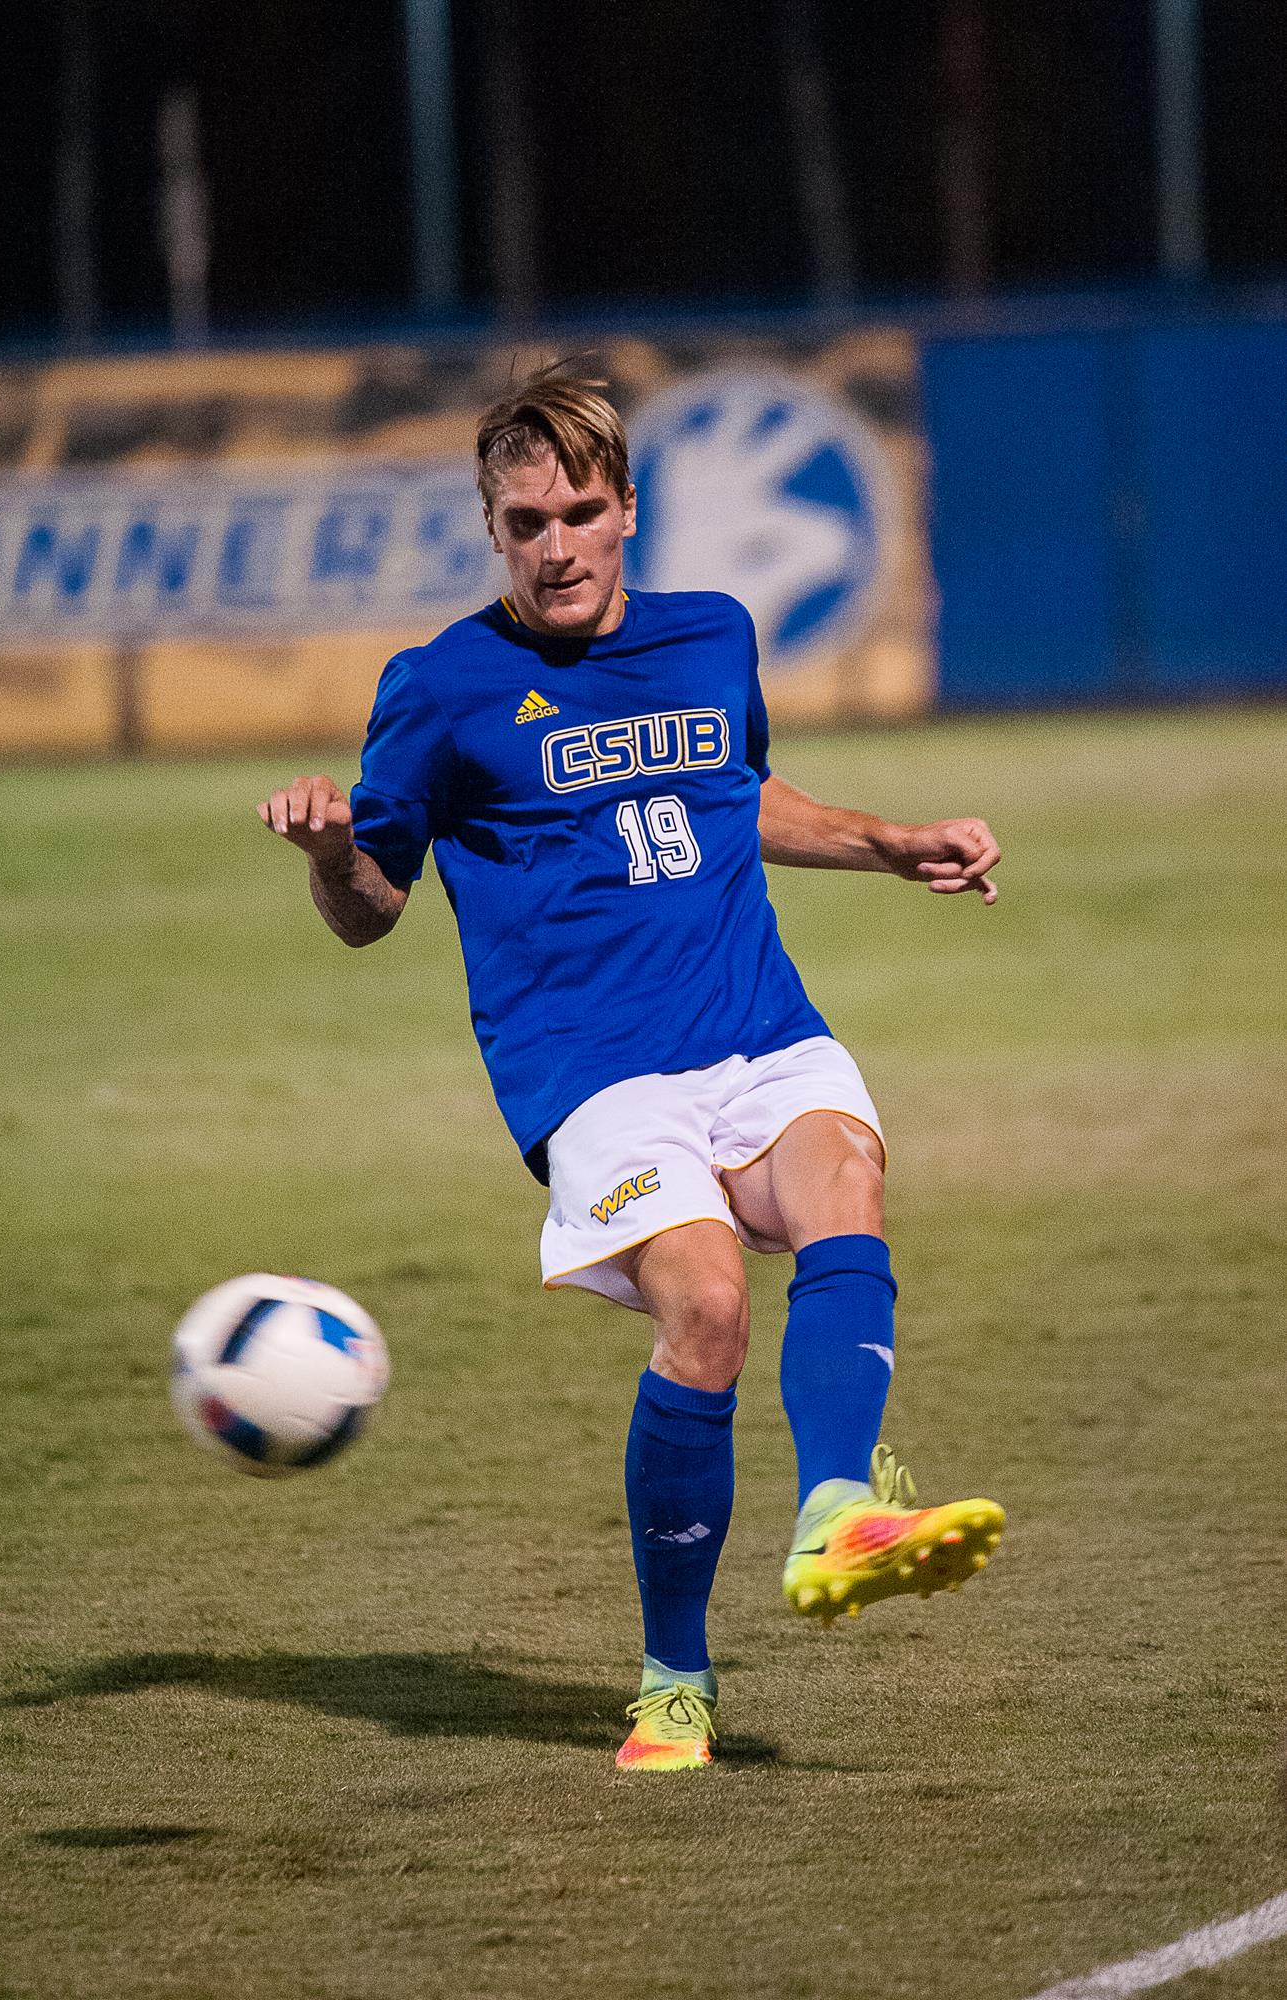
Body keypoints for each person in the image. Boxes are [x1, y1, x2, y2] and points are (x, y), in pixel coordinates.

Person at [258, 363, 1005, 1774]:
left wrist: (886, 838)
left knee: (843, 1185)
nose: (556, 548)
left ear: (627, 513)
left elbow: (735, 799)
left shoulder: (713, 636)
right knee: (709, 1308)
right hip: (592, 1073)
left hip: (756, 1023)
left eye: (580, 514)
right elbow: (373, 913)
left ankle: (839, 1511)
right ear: (491, 529)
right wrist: (328, 851)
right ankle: (674, 1682)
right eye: (525, 522)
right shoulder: (440, 688)